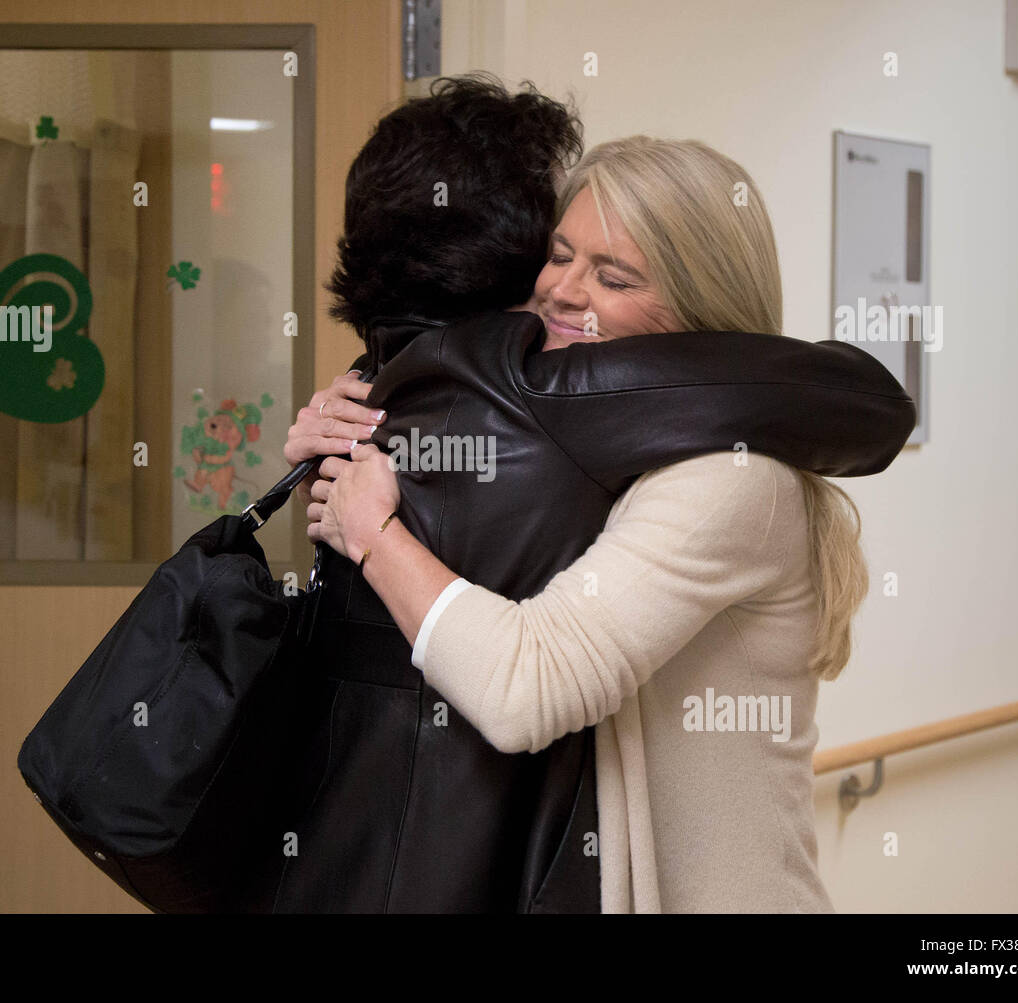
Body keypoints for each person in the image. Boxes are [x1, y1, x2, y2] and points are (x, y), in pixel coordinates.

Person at [275, 79, 914, 912]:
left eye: (614, 276)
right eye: (560, 254)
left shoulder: (733, 479)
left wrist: (374, 532)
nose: (563, 291)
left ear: (702, 313)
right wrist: (356, 418)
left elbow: (525, 688)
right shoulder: (599, 443)